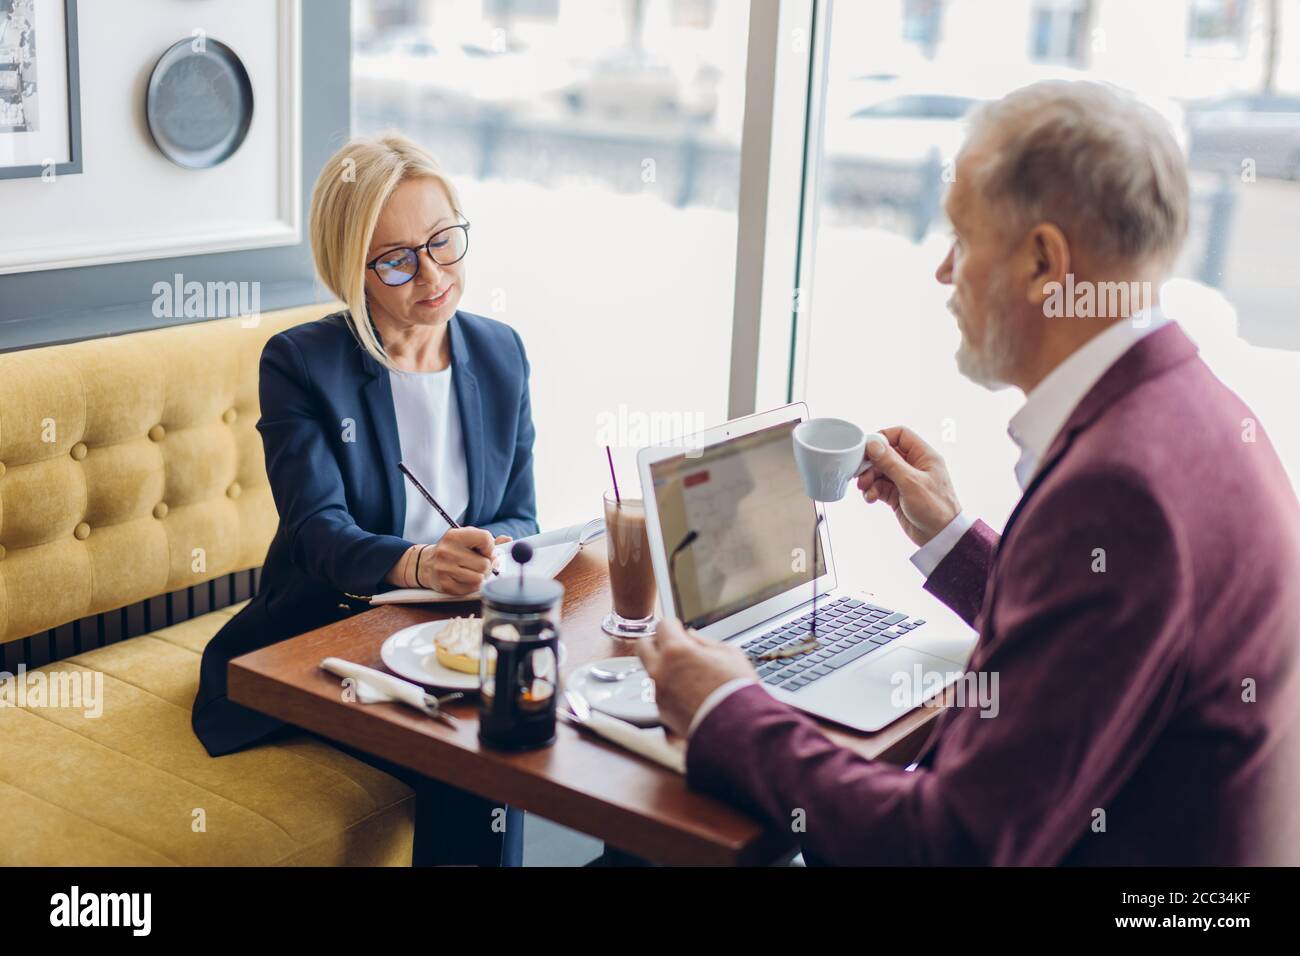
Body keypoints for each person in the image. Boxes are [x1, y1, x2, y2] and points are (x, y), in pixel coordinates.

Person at [638, 81, 1300, 865]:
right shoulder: (1191, 404)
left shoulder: (1116, 493)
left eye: (961, 236)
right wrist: (952, 537)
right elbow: (1099, 652)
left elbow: (957, 844)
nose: (944, 272)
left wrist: (721, 709)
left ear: (1044, 262)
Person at [192, 134, 538, 866]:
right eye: (396, 259)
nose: (432, 273)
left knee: (539, 721)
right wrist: (420, 564)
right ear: (352, 271)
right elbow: (319, 535)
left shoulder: (501, 352)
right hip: (325, 640)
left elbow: (519, 516)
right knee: (472, 756)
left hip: (452, 640)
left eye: (443, 240)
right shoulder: (302, 363)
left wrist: (490, 552)